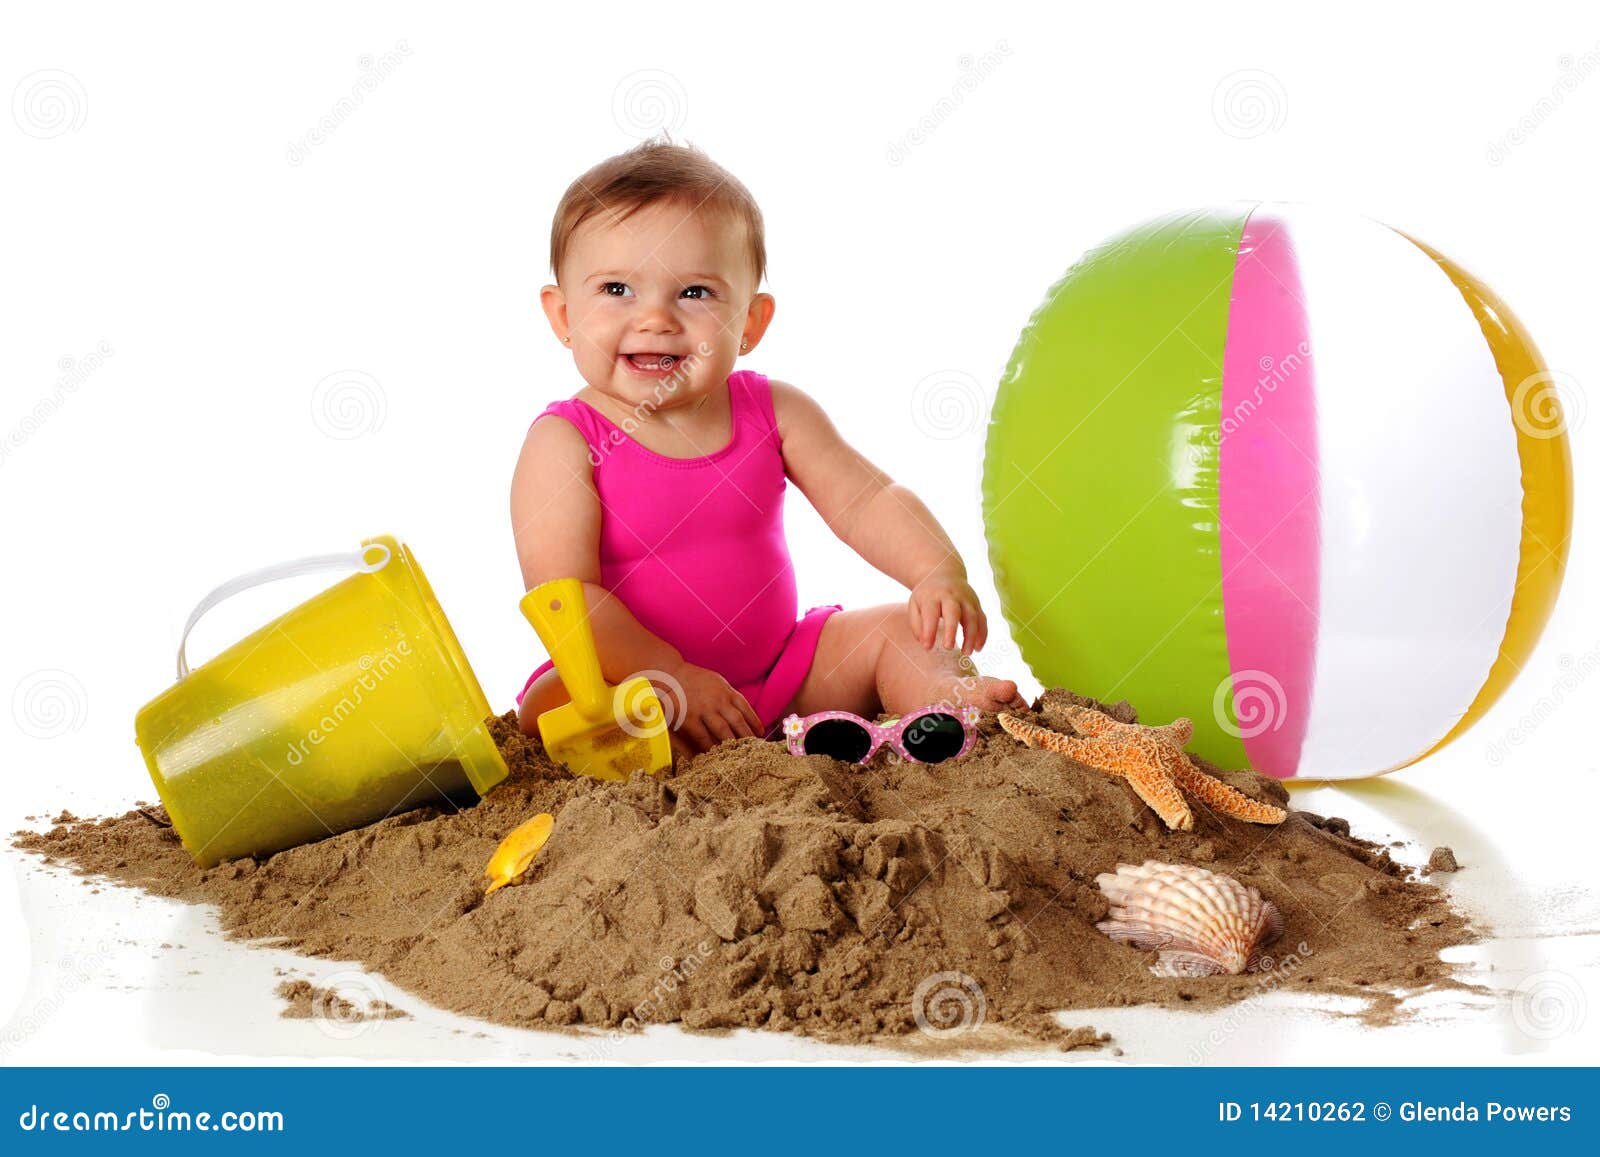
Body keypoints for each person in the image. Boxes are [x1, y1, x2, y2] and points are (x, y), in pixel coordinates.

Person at [511, 138, 1025, 758]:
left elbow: (866, 498)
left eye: (694, 293)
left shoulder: (773, 411)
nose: (655, 319)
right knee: (560, 705)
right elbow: (566, 598)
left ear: (750, 323)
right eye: (617, 289)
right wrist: (675, 674)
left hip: (783, 675)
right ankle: (691, 748)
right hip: (647, 687)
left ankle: (943, 703)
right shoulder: (565, 441)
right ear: (563, 315)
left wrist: (934, 570)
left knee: (899, 631)